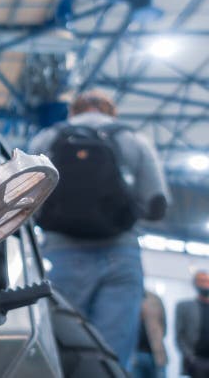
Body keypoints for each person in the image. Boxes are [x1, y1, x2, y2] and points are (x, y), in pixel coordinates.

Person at [29, 90, 170, 370]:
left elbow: (24, 197)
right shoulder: (133, 139)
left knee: (59, 347)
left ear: (73, 111)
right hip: (120, 253)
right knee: (112, 354)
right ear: (111, 112)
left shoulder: (47, 138)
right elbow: (157, 204)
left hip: (60, 253)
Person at [176, 271, 209, 378]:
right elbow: (180, 335)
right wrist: (191, 358)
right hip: (195, 362)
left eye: (207, 281)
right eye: (202, 281)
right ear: (195, 284)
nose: (205, 284)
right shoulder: (184, 306)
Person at [132, 290, 167, 378]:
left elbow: (163, 325)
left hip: (156, 355)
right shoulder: (124, 297)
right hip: (134, 356)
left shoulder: (154, 298)